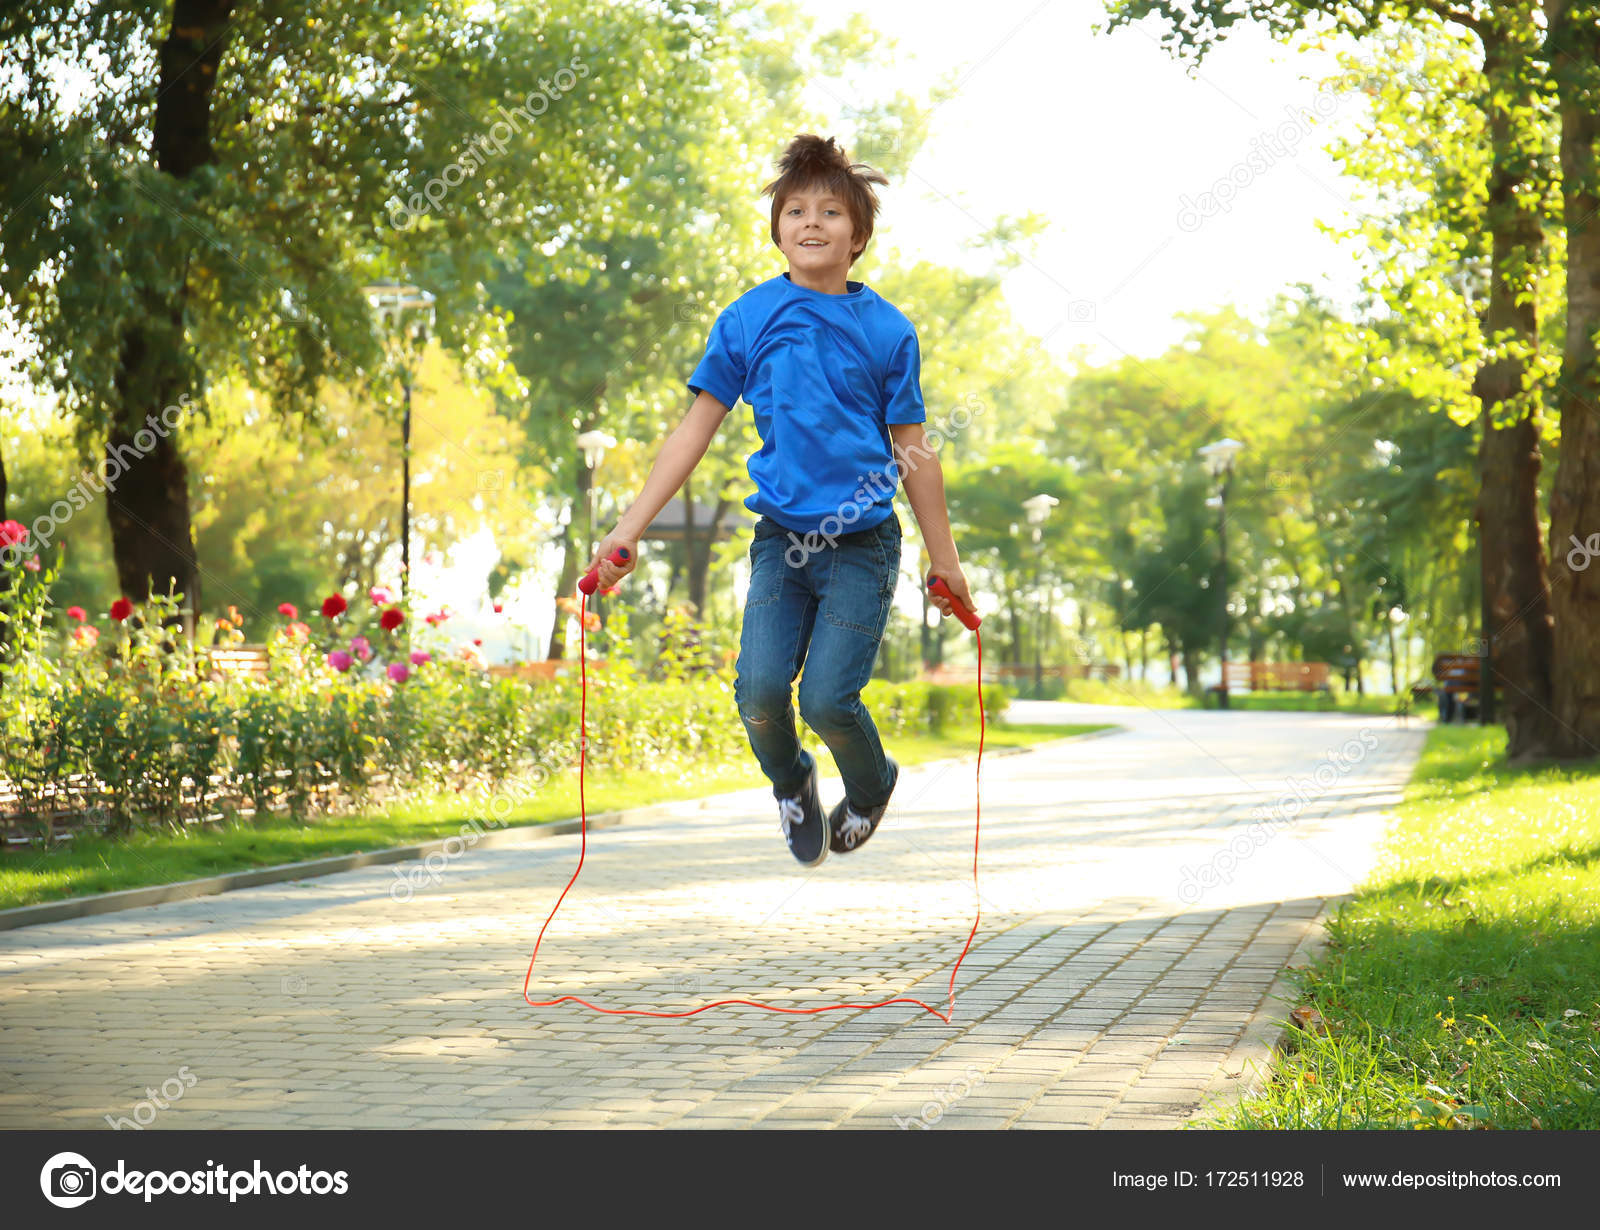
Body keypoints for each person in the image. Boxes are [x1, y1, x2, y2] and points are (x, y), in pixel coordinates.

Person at [585, 133, 976, 868]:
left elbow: (914, 453)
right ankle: (791, 782)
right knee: (761, 692)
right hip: (783, 542)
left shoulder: (888, 331)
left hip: (862, 544)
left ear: (858, 235)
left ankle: (870, 786)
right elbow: (693, 430)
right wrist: (626, 528)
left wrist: (945, 559)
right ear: (777, 228)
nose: (811, 222)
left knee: (829, 700)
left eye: (831, 211)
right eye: (795, 209)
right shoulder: (746, 320)